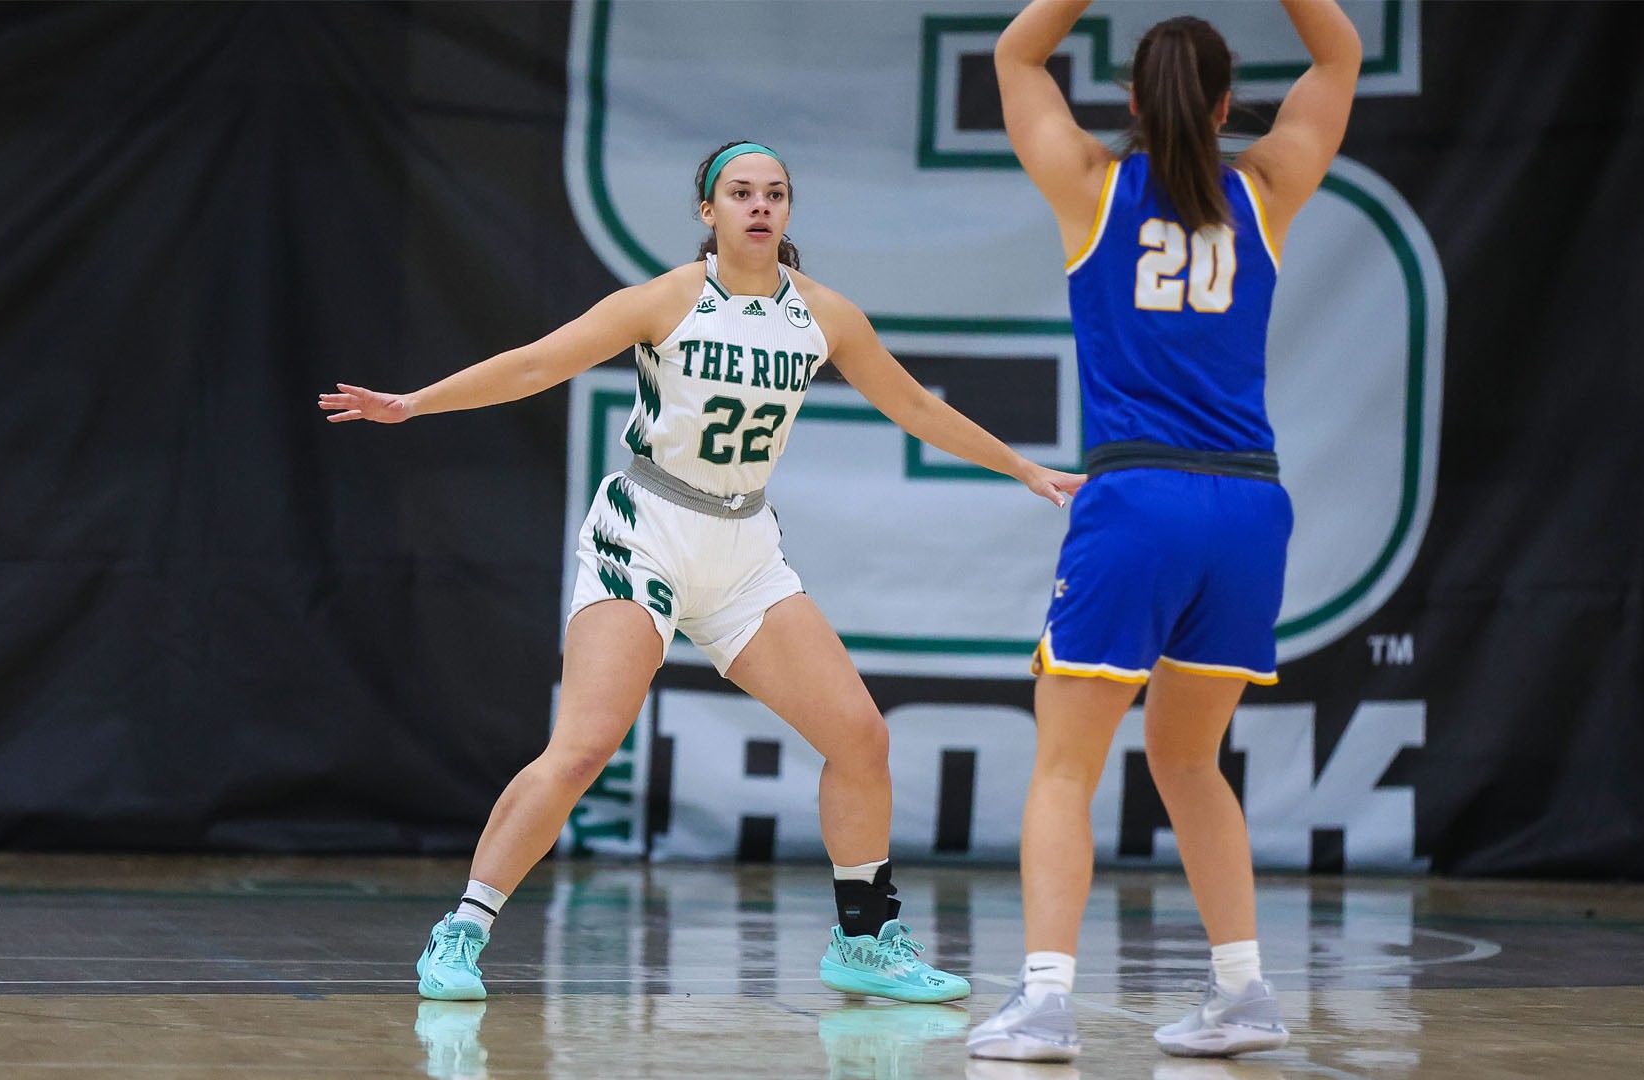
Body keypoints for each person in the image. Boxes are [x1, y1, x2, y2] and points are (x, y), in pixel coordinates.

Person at [320, 140, 1082, 1004]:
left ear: (788, 212)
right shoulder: (666, 300)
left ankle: (864, 940)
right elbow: (539, 363)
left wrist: (1022, 468)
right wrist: (416, 402)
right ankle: (462, 929)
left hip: (743, 547)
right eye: (741, 192)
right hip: (645, 530)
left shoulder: (824, 315)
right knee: (582, 750)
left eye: (776, 193)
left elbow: (912, 405)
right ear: (707, 211)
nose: (760, 205)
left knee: (861, 737)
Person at [966, 0, 1360, 1063]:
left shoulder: (1092, 186)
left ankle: (1046, 1002)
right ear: (1231, 103)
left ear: (1133, 100)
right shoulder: (1268, 191)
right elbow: (1339, 52)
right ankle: (1245, 991)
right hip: (1248, 507)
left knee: (1063, 768)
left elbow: (1017, 51)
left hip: (1140, 498)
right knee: (1191, 761)